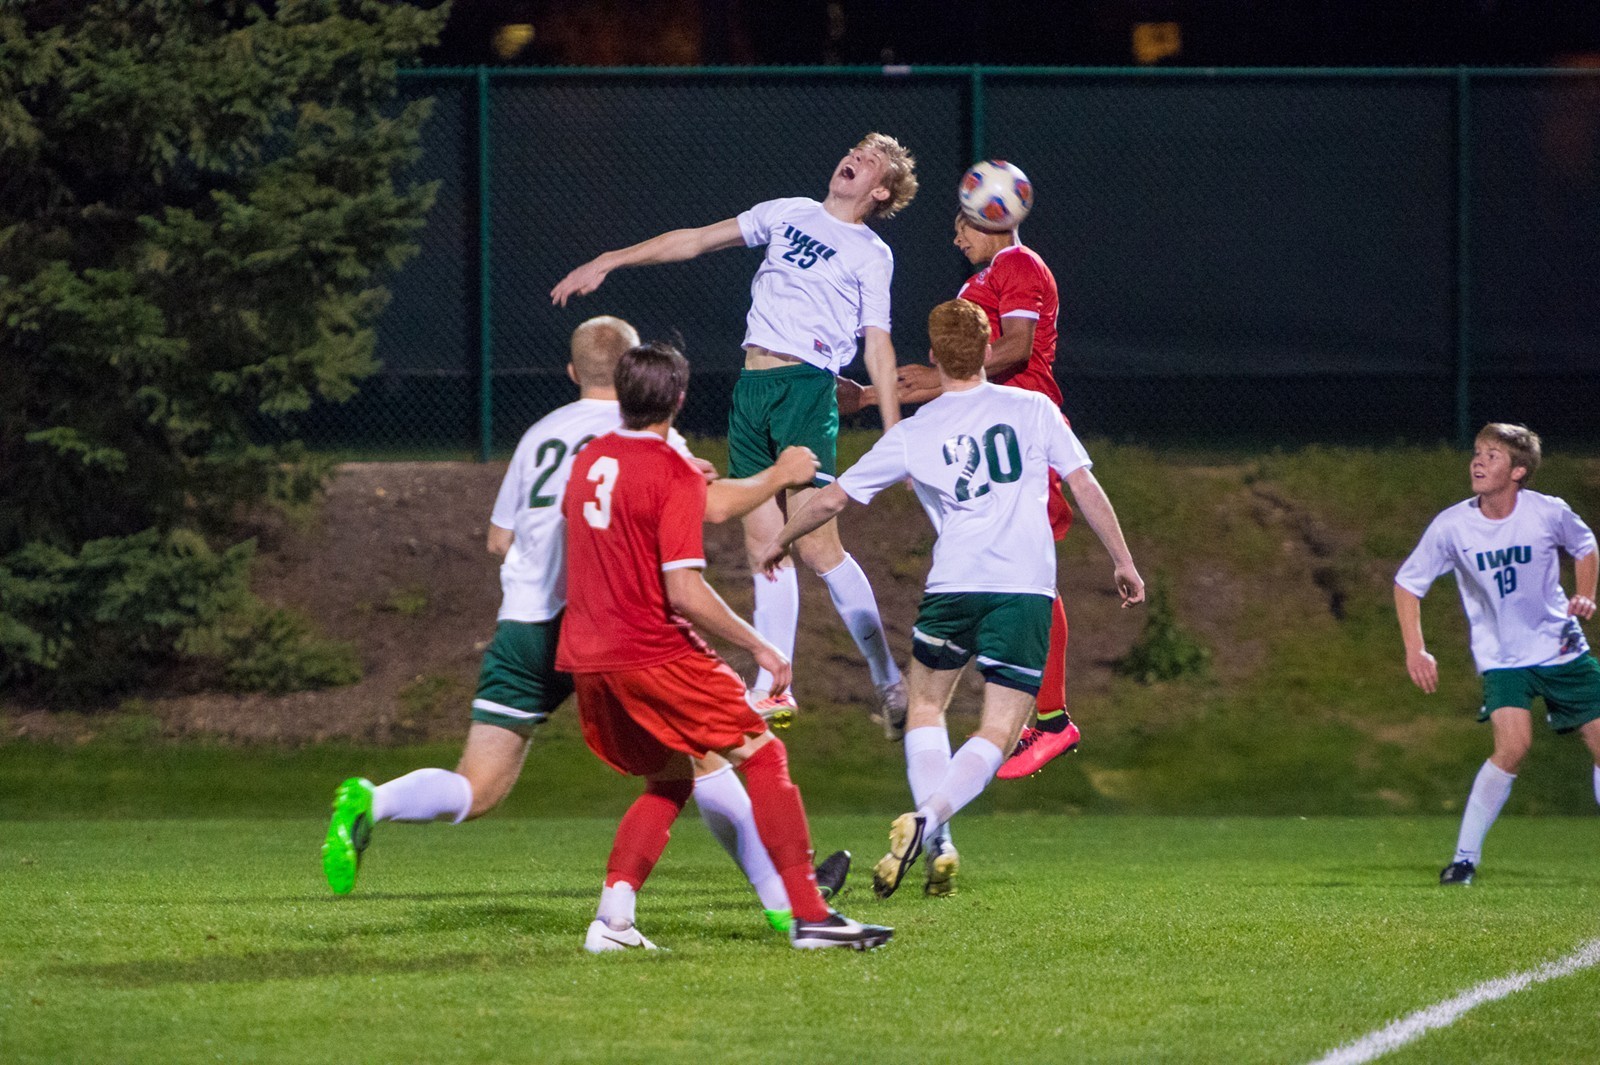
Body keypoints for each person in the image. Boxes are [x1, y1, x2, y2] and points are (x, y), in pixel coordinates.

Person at [318, 316, 848, 933]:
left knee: (478, 787)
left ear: (573, 372)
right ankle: (788, 903)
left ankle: (375, 800)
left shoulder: (541, 435)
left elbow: (499, 540)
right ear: (647, 381)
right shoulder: (643, 438)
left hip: (523, 626)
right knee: (706, 759)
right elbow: (702, 508)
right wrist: (775, 476)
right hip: (612, 623)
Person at [758, 299, 1144, 899]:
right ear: (989, 349)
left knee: (925, 707)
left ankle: (939, 841)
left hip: (953, 587)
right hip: (1023, 589)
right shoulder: (1033, 408)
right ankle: (929, 819)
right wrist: (1122, 560)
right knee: (1000, 727)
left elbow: (833, 499)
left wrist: (780, 540)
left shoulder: (917, 431)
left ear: (934, 358)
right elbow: (1083, 484)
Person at [550, 134, 919, 735]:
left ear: (880, 191)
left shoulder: (870, 253)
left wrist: (893, 430)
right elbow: (695, 239)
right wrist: (610, 260)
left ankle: (888, 681)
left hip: (805, 388)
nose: (853, 158)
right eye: (854, 150)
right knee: (762, 547)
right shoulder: (788, 211)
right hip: (752, 388)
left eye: (870, 160)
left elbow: (877, 343)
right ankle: (775, 686)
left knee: (818, 549)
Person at [559, 341, 891, 951]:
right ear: (680, 398)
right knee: (763, 756)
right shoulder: (672, 469)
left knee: (669, 780)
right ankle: (810, 915)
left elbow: (698, 504)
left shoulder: (590, 460)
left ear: (622, 397)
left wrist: (715, 483)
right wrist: (760, 645)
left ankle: (613, 922)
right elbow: (683, 590)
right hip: (653, 650)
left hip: (588, 655)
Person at [893, 210, 1081, 782]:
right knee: (1017, 574)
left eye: (964, 226)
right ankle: (1034, 715)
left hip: (1021, 435)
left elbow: (1017, 348)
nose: (956, 238)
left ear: (991, 217)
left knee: (1033, 576)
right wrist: (877, 395)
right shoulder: (984, 278)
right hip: (989, 436)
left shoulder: (1017, 262)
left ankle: (1051, 720)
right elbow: (963, 370)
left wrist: (928, 384)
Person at [1394, 422, 1600, 886]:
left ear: (1518, 471)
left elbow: (1585, 545)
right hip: (1503, 657)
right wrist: (1416, 649)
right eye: (1477, 451)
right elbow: (1408, 583)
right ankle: (1463, 861)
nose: (1478, 461)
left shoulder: (1547, 512)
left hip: (1560, 646)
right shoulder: (1452, 525)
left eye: (1492, 455)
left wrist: (1586, 593)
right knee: (1512, 747)